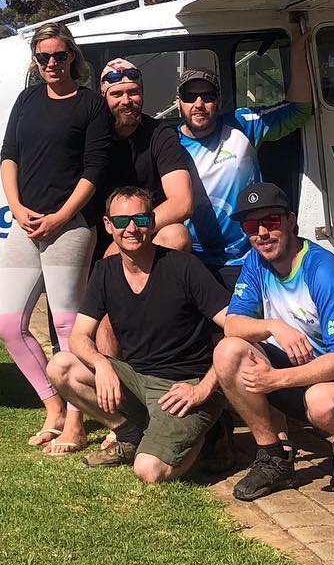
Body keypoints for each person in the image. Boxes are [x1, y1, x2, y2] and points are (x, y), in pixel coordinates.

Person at [214, 183, 334, 500]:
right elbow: (233, 325)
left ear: (290, 221)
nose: (262, 233)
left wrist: (276, 379)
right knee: (228, 351)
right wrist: (273, 326)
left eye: (271, 222)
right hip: (303, 369)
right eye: (251, 225)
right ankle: (273, 458)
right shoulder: (256, 262)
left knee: (323, 404)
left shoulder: (323, 271)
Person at [48, 188, 232, 482]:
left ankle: (204, 435)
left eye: (140, 219)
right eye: (121, 221)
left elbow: (235, 329)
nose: (131, 229)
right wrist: (102, 364)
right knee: (60, 366)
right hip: (138, 381)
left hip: (183, 388)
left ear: (153, 221)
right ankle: (130, 433)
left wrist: (204, 389)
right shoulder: (105, 271)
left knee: (148, 470)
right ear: (109, 226)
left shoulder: (184, 267)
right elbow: (79, 336)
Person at [0, 22, 112, 455]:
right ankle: (54, 407)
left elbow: (94, 170)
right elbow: (9, 156)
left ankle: (77, 422)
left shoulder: (91, 105)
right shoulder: (26, 100)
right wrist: (16, 207)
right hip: (25, 225)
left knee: (67, 327)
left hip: (70, 227)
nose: (50, 64)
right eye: (42, 57)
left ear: (72, 58)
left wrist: (61, 216)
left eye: (58, 56)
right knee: (7, 324)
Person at [177, 32, 311, 291]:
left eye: (207, 96)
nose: (199, 104)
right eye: (190, 97)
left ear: (220, 101)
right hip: (193, 260)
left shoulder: (242, 123)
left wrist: (296, 49)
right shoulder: (168, 145)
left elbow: (299, 110)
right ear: (178, 103)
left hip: (247, 258)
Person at [93, 59, 193, 252]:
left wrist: (129, 235)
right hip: (97, 234)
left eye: (133, 92)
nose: (126, 101)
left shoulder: (160, 134)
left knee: (176, 235)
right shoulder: (92, 136)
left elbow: (182, 202)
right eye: (116, 94)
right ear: (104, 97)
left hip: (145, 235)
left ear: (142, 94)